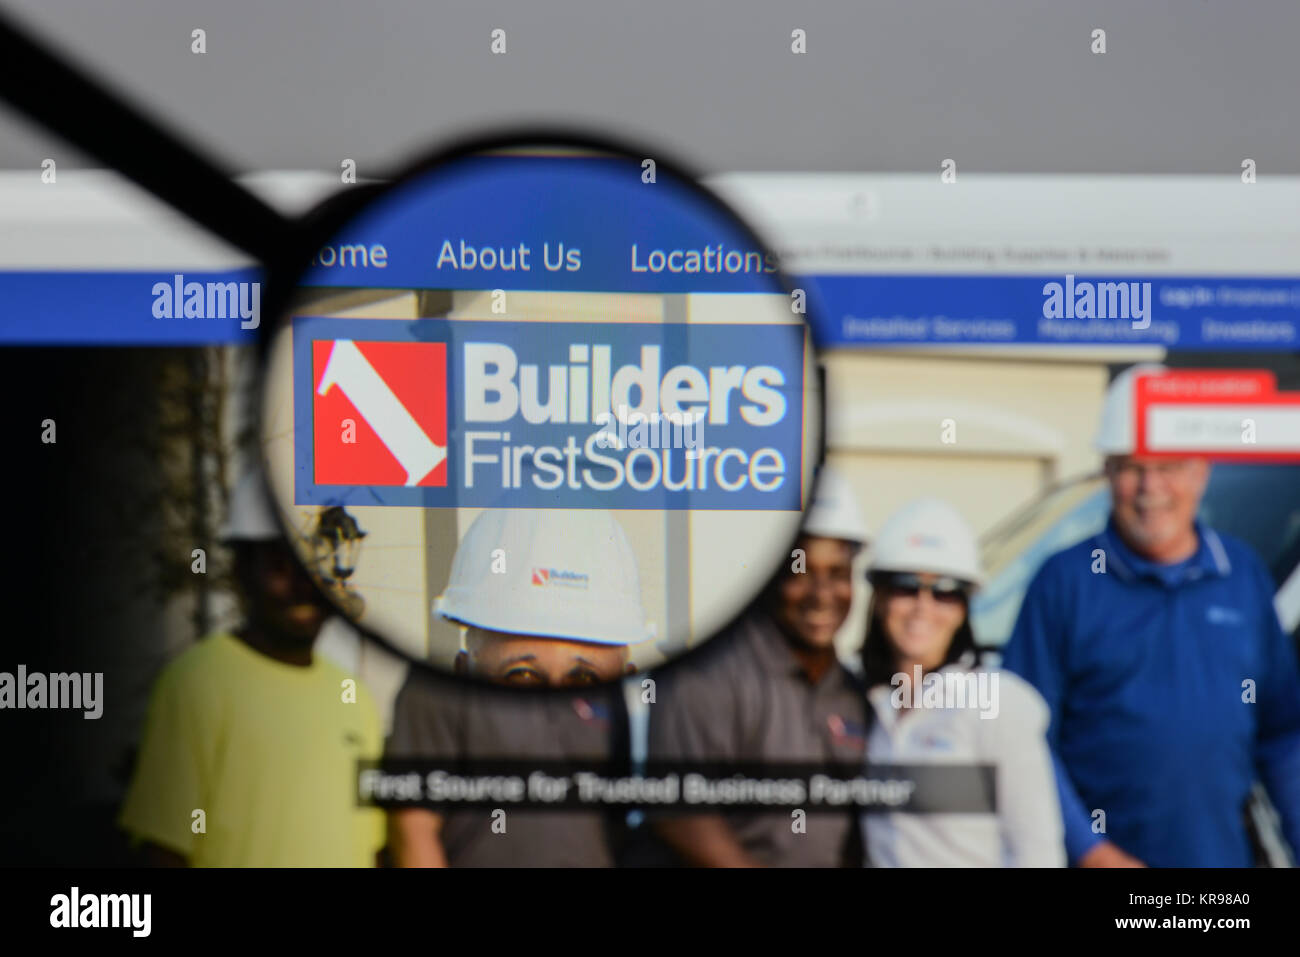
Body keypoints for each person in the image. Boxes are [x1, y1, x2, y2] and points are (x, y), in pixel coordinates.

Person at [1002, 364, 1300, 867]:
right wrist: (1091, 851)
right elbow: (1022, 741)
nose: (1150, 488)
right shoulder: (1065, 583)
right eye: (1131, 468)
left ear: (1201, 470)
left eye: (1169, 467)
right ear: (1108, 472)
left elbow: (1283, 732)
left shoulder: (1242, 576)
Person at [118, 471, 386, 866]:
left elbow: (372, 851)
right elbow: (166, 849)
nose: (303, 586)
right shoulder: (196, 683)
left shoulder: (353, 696)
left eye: (318, 564)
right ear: (243, 567)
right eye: (282, 564)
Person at [386, 508, 651, 867]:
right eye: (522, 674)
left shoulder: (650, 720)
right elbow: (413, 830)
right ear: (465, 669)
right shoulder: (433, 695)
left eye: (584, 678)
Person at [646, 466, 871, 867]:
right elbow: (679, 812)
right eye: (799, 572)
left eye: (837, 573)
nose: (821, 596)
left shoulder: (852, 693)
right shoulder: (705, 675)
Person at [859, 498, 1064, 867]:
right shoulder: (859, 700)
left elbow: (1037, 852)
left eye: (945, 591)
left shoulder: (999, 704)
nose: (924, 606)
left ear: (963, 607)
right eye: (906, 587)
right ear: (880, 597)